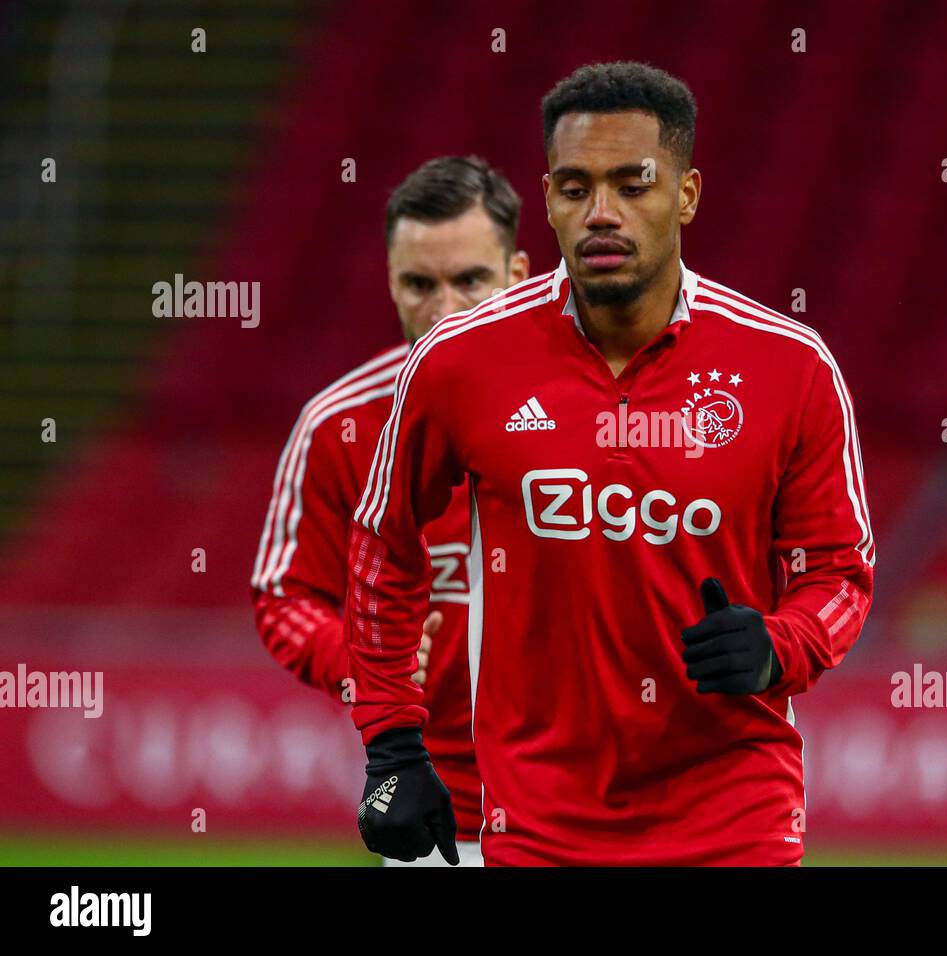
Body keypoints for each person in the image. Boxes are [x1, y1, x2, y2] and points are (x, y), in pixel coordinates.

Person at [348, 62, 875, 866]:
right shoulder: (459, 361)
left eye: (633, 185)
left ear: (686, 194)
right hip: (538, 825)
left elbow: (840, 575)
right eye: (575, 188)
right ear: (548, 199)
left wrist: (779, 645)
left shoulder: (791, 367)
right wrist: (392, 746)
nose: (601, 213)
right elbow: (382, 545)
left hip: (737, 820)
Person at [251, 156, 529, 867]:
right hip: (439, 817)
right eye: (420, 284)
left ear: (518, 275)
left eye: (470, 280)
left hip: (599, 809)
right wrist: (359, 661)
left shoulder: (595, 410)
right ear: (390, 283)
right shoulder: (338, 426)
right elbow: (284, 596)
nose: (444, 310)